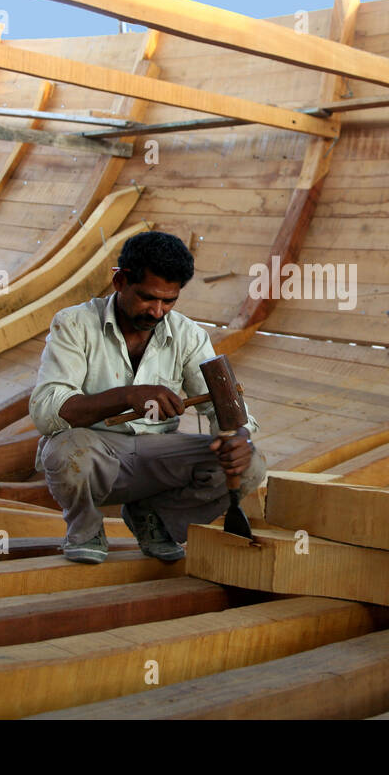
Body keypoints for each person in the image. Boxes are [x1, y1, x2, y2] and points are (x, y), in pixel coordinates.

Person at [30, 231, 266, 564]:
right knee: (66, 451)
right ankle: (85, 527)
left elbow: (223, 406)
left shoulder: (188, 334)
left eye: (168, 301)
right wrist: (127, 395)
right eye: (146, 298)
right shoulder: (74, 324)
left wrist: (238, 437)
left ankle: (154, 518)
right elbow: (46, 411)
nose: (157, 311)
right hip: (96, 452)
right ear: (120, 280)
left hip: (157, 457)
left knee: (252, 464)